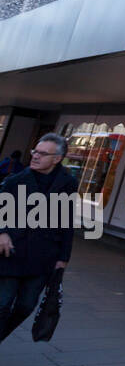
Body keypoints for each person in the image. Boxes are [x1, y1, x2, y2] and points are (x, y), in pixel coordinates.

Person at [0, 135, 75, 343]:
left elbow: (67, 222)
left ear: (57, 158)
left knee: (26, 306)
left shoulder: (68, 183)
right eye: (35, 152)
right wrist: (2, 232)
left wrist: (63, 257)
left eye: (43, 153)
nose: (35, 156)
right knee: (2, 304)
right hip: (11, 253)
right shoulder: (15, 180)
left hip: (43, 258)